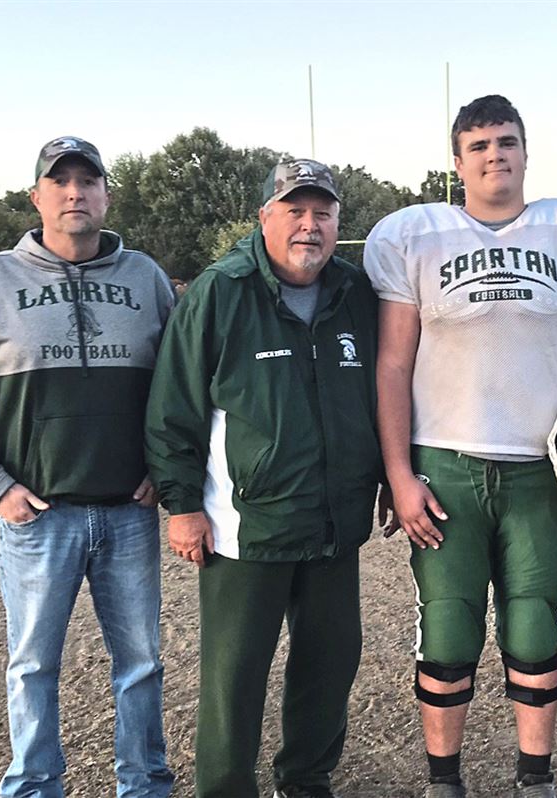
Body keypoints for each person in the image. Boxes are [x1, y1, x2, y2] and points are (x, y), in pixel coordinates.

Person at [363, 95, 557, 798]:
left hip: (542, 469)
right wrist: (398, 471)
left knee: (534, 627)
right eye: (478, 147)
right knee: (446, 634)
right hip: (443, 464)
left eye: (506, 142)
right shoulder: (415, 237)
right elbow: (391, 362)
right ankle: (444, 781)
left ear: (526, 152)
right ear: (456, 163)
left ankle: (535, 777)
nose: (494, 156)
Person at [0, 136, 175, 798]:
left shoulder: (146, 279)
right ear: (37, 196)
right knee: (34, 664)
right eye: (59, 181)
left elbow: (178, 390)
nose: (75, 192)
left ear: (105, 195)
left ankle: (146, 784)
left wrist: (166, 467)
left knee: (142, 665)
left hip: (129, 513)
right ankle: (35, 786)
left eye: (87, 180)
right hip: (38, 519)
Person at [144, 159, 381, 798]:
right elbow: (174, 410)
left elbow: (377, 395)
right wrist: (182, 506)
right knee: (235, 676)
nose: (310, 226)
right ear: (265, 218)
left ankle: (305, 781)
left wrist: (383, 477)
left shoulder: (355, 292)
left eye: (323, 213)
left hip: (335, 519)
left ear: (338, 223)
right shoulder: (222, 292)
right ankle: (226, 788)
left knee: (330, 664)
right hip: (247, 525)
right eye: (295, 212)